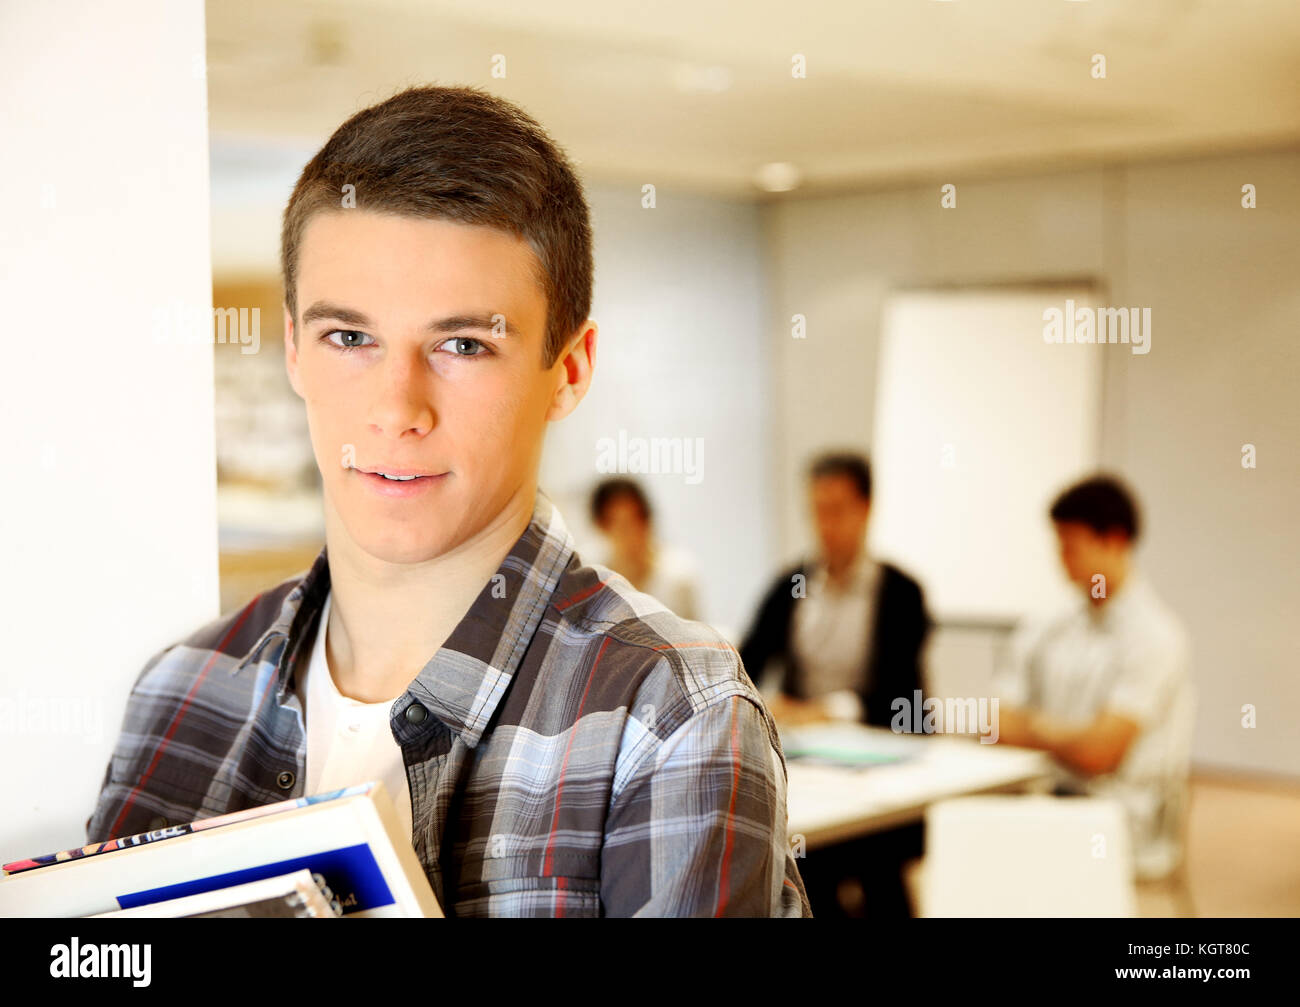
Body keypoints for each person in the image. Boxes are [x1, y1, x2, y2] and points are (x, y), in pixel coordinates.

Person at [85, 85, 810, 918]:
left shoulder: (670, 715)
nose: (398, 410)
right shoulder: (178, 690)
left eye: (463, 344)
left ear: (568, 369)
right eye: (349, 338)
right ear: (293, 349)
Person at [739, 451, 931, 917]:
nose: (826, 525)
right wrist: (766, 704)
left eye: (838, 510)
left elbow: (903, 696)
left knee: (876, 872)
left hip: (883, 770)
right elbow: (745, 662)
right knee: (805, 864)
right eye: (817, 511)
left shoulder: (901, 592)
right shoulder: (792, 586)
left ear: (866, 509)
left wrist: (828, 709)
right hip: (811, 771)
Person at [993, 474, 1194, 881]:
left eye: (1071, 545)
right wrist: (1065, 736)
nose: (1061, 559)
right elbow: (996, 723)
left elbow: (1099, 754)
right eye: (1059, 545)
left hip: (1118, 813)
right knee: (963, 839)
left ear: (1114, 540)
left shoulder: (1156, 636)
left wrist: (1033, 727)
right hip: (1046, 792)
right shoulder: (1048, 626)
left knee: (1013, 861)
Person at [588, 478, 701, 621]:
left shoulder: (678, 576)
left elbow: (695, 638)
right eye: (622, 525)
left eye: (638, 520)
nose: (633, 533)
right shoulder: (592, 576)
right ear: (602, 527)